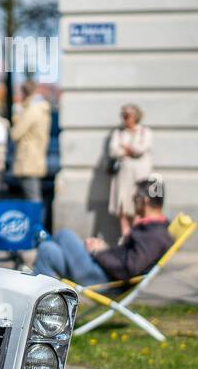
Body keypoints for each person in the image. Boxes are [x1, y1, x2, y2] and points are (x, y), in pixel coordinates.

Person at [34, 178, 172, 285]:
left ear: (144, 201)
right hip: (102, 270)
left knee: (64, 235)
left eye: (134, 198)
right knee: (47, 250)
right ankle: (43, 312)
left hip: (103, 280)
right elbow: (127, 258)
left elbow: (128, 269)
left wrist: (98, 252)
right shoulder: (151, 229)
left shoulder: (154, 235)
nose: (133, 203)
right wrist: (104, 248)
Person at [108, 104, 153, 238]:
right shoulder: (118, 132)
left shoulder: (145, 131)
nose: (125, 118)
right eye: (123, 115)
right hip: (123, 177)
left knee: (138, 207)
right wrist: (129, 150)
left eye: (128, 115)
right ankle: (125, 240)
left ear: (136, 116)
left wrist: (125, 148)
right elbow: (113, 151)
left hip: (140, 176)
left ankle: (136, 239)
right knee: (123, 209)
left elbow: (141, 149)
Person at [11, 79, 51, 203]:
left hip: (28, 159)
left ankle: (36, 222)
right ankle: (37, 221)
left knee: (33, 198)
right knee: (34, 196)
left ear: (25, 93)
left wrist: (17, 115)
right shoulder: (41, 108)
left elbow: (15, 133)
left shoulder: (31, 110)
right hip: (36, 157)